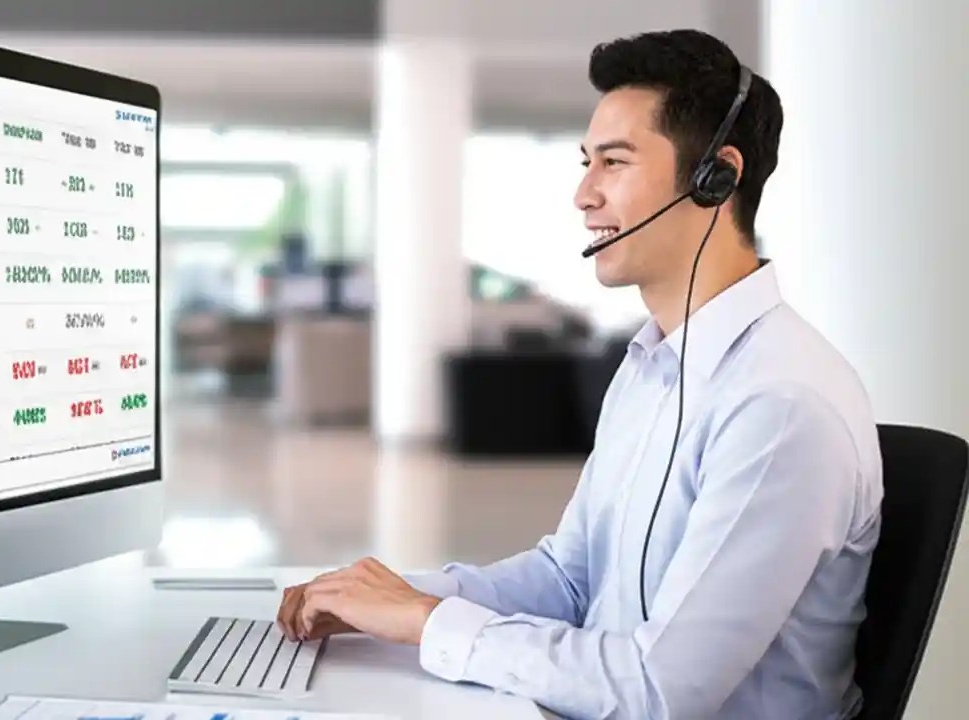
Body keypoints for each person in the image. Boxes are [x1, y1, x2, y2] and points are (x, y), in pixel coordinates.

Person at [275, 29, 883, 720]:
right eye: (585, 162)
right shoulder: (652, 367)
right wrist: (379, 597)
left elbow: (659, 691)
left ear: (717, 177)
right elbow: (569, 580)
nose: (583, 195)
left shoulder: (780, 405)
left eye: (613, 163)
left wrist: (422, 620)